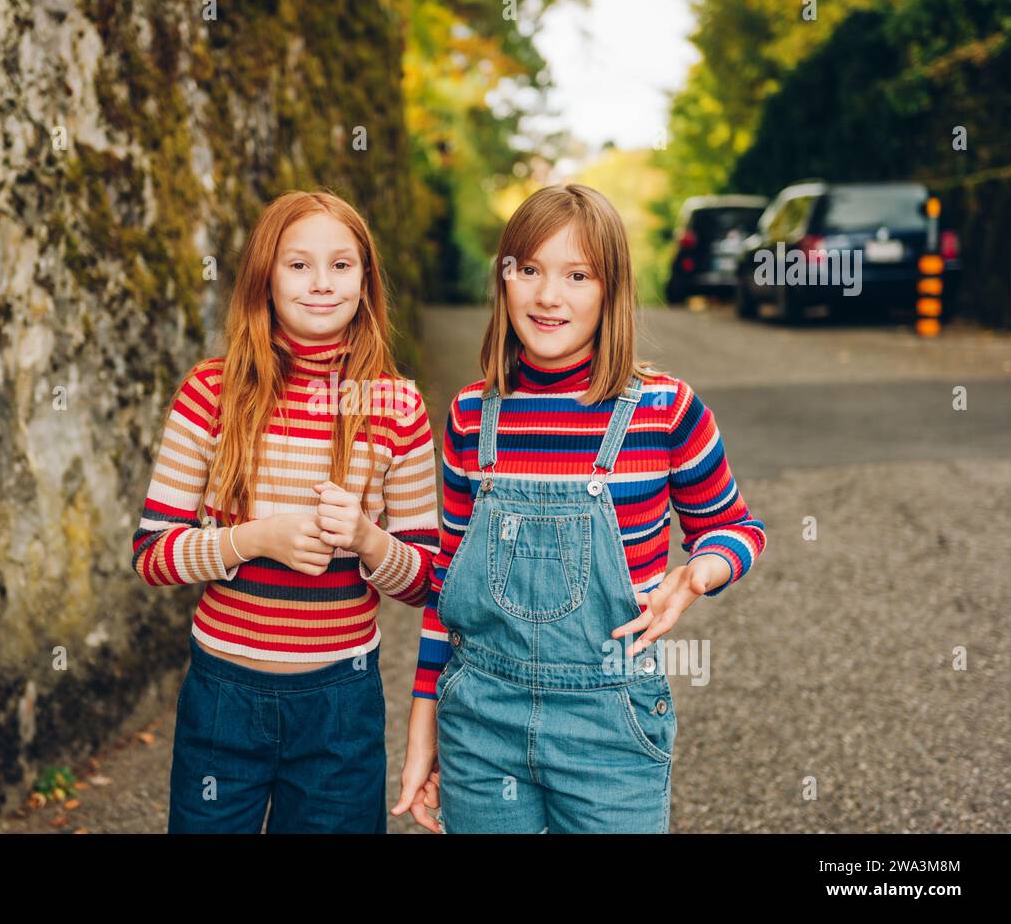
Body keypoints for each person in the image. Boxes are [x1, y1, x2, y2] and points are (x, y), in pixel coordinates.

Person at [394, 183, 767, 833]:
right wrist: (424, 726)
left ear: (610, 290)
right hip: (481, 719)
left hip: (611, 723)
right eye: (529, 270)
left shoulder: (664, 410)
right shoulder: (468, 416)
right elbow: (444, 592)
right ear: (504, 281)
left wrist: (701, 571)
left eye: (576, 275)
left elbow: (735, 527)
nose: (548, 295)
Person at [131, 190, 439, 833]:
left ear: (366, 280)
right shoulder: (210, 394)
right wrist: (254, 539)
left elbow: (426, 580)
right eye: (298, 265)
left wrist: (365, 539)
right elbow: (152, 555)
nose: (322, 284)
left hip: (339, 706)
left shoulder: (396, 408)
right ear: (264, 277)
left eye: (342, 265)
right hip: (223, 696)